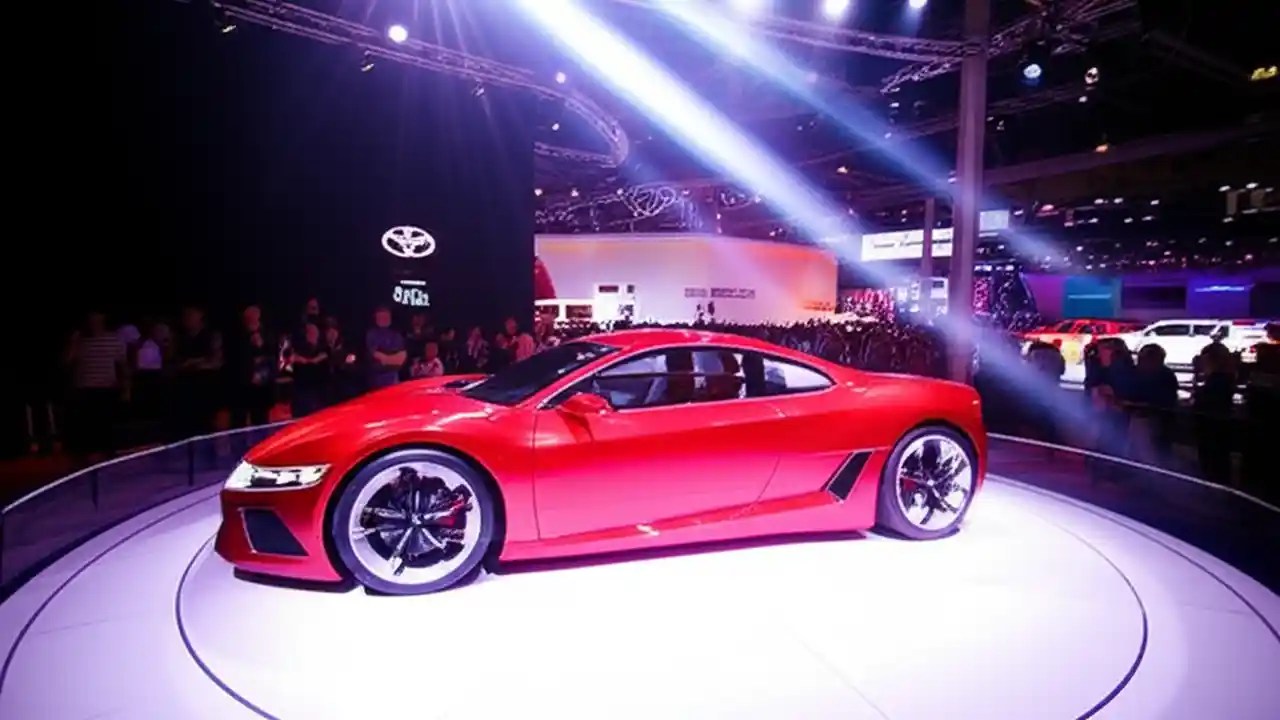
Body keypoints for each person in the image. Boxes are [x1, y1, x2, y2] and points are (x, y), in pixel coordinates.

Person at [65, 311, 128, 460]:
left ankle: (106, 459)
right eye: (92, 319)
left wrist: (126, 389)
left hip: (106, 389)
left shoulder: (114, 339)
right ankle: (86, 461)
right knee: (86, 429)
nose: (95, 322)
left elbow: (123, 365)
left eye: (97, 318)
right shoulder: (81, 340)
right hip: (84, 389)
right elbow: (67, 362)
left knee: (105, 428)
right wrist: (73, 342)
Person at [1192, 342, 1236, 485]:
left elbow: (1207, 401)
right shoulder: (1223, 378)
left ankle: (1218, 494)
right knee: (1215, 462)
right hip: (1213, 428)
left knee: (1214, 463)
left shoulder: (1219, 381)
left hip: (1213, 428)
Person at [290, 322, 329, 417]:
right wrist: (304, 360)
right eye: (309, 332)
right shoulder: (299, 347)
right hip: (302, 388)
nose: (312, 334)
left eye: (314, 332)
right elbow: (292, 358)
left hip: (319, 388)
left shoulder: (323, 347)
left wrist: (308, 361)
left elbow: (321, 358)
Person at [365, 307, 406, 390]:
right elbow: (376, 356)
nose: (383, 319)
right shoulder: (371, 334)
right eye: (381, 317)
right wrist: (390, 358)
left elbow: (401, 358)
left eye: (386, 317)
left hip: (393, 381)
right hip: (375, 381)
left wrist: (386, 358)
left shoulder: (396, 335)